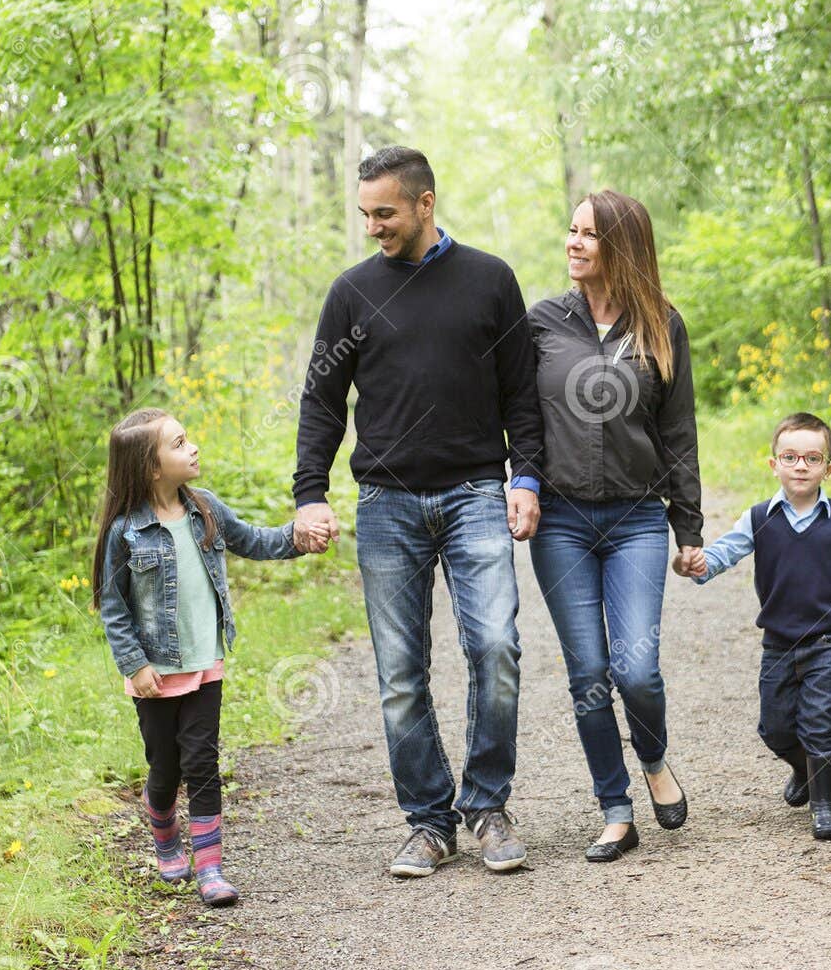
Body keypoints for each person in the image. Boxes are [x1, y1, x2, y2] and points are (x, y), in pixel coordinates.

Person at [292, 145, 546, 878]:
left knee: (496, 648)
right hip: (386, 503)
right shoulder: (350, 293)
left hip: (474, 494)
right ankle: (430, 822)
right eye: (365, 213)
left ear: (425, 203)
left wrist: (524, 476)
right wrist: (311, 490)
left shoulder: (490, 280)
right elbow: (321, 400)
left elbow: (522, 395)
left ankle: (488, 806)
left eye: (386, 212)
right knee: (401, 673)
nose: (373, 226)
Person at [527, 189, 704, 863]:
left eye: (589, 235)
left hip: (636, 520)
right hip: (562, 523)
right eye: (570, 230)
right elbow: (521, 418)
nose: (573, 243)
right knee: (589, 671)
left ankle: (654, 758)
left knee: (635, 668)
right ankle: (616, 808)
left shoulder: (662, 323)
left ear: (620, 248)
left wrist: (688, 527)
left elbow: (679, 430)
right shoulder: (541, 322)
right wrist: (521, 483)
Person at [94, 408, 323, 904]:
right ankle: (164, 834)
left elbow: (255, 541)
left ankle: (211, 869)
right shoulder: (126, 532)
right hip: (154, 672)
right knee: (164, 769)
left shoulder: (206, 508)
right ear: (151, 468)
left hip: (204, 664)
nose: (192, 447)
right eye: (178, 444)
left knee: (202, 761)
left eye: (188, 439)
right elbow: (112, 606)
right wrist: (135, 663)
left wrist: (298, 537)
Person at [687, 411, 831, 840]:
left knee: (820, 721)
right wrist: (696, 565)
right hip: (779, 642)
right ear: (774, 465)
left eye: (812, 458)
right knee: (776, 726)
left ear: (828, 468)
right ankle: (805, 771)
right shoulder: (759, 517)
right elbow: (725, 553)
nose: (801, 465)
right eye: (790, 456)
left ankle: (824, 805)